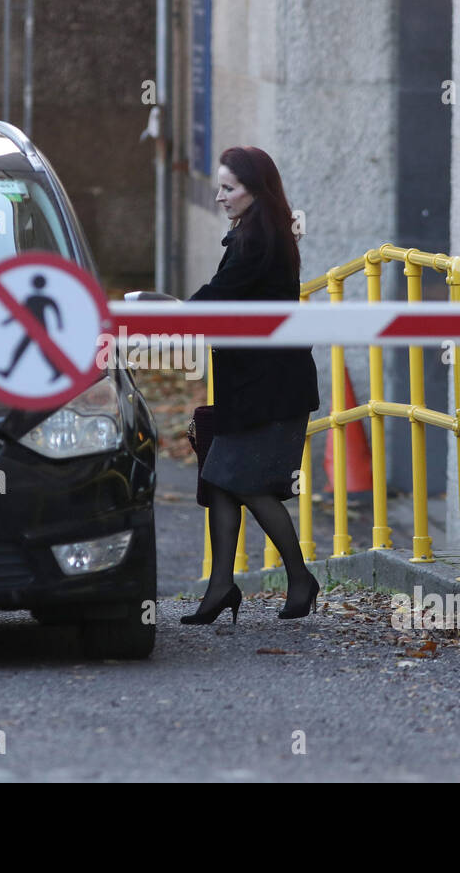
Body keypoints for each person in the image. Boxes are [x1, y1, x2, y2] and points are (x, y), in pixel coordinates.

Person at [181, 146, 321, 625]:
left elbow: (217, 300)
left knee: (251, 486)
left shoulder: (258, 240)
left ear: (255, 191)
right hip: (256, 388)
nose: (219, 196)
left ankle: (300, 577)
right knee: (221, 481)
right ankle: (222, 586)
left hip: (273, 392)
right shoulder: (256, 231)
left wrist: (163, 313)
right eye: (219, 186)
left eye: (228, 188)